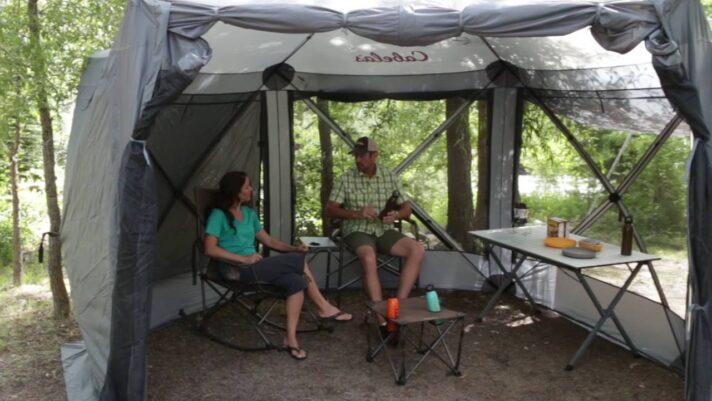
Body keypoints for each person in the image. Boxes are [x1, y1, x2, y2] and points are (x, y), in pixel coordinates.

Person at [204, 171, 352, 361]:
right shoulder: (219, 215)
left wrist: (294, 248)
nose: (252, 190)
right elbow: (209, 249)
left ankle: (290, 338)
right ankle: (323, 307)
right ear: (235, 191)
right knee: (298, 262)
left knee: (296, 281)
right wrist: (243, 259)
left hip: (254, 267)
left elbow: (270, 241)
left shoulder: (248, 213)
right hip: (234, 270)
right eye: (247, 186)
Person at [327, 136, 425, 307]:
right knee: (369, 257)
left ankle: (398, 306)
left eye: (362, 156)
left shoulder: (390, 177)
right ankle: (380, 313)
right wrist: (358, 213)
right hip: (356, 229)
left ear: (374, 156)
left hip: (383, 229)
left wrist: (395, 215)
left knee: (417, 249)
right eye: (356, 155)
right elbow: (331, 209)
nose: (358, 159)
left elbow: (406, 209)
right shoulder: (345, 179)